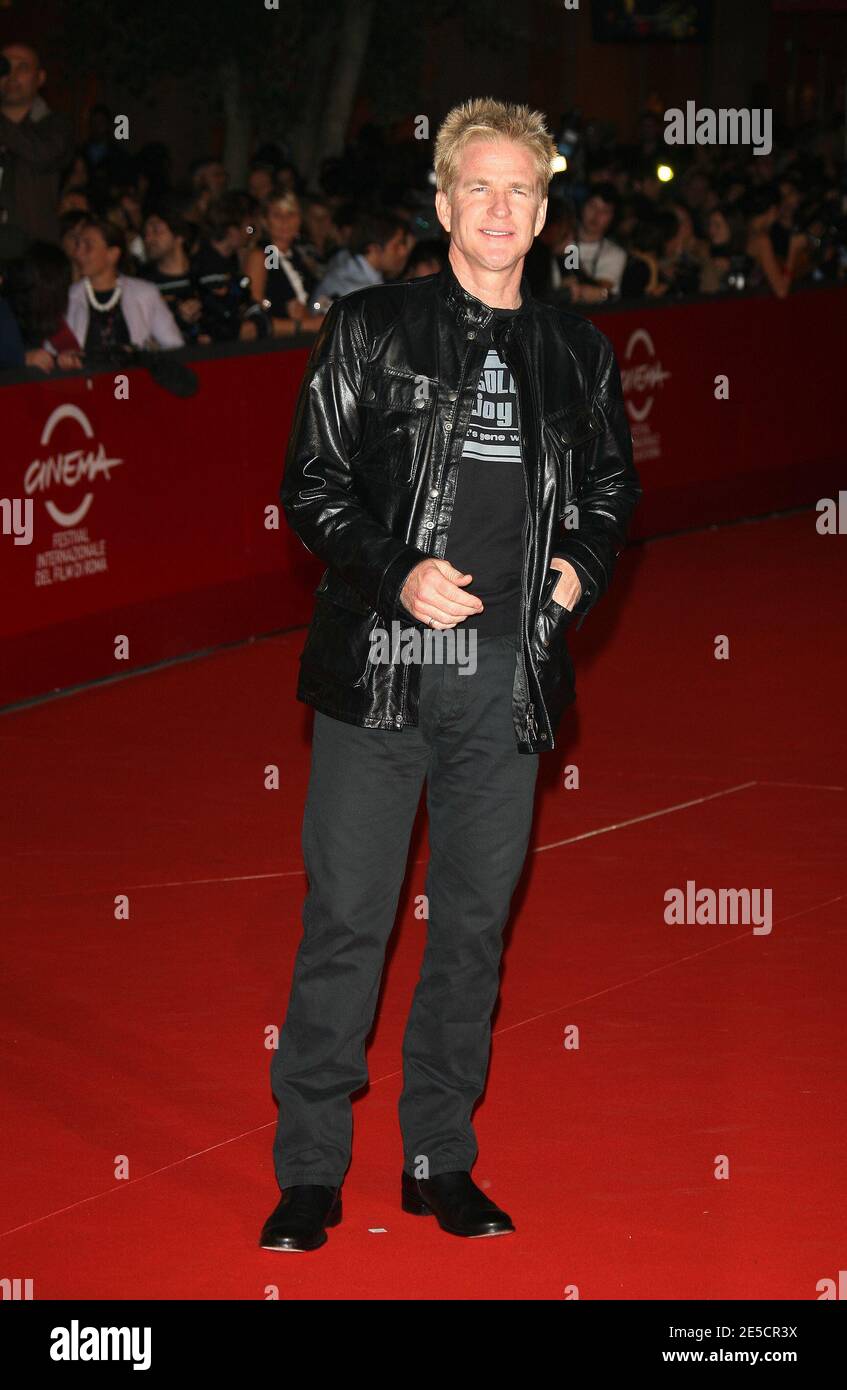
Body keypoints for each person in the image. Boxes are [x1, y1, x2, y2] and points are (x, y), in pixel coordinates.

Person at [260, 96, 640, 1253]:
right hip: (385, 661)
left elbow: (611, 496)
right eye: (476, 185)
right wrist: (397, 575)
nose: (497, 207)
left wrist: (569, 581)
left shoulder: (578, 352)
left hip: (506, 679)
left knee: (472, 927)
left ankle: (438, 1159)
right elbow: (312, 484)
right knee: (350, 921)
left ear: (541, 216)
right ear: (440, 204)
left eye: (518, 189)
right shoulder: (369, 329)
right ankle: (312, 1170)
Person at [66, 216, 183, 355]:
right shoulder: (69, 297)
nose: (78, 253)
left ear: (112, 254)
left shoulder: (144, 293)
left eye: (88, 246)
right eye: (78, 245)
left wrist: (148, 353)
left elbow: (174, 345)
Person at [0, 42, 74, 255]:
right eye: (4, 67)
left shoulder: (55, 124)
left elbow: (42, 153)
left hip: (34, 255)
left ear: (40, 78)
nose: (11, 76)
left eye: (22, 67)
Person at [244, 192, 323, 336]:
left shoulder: (299, 256)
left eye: (291, 214)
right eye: (277, 215)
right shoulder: (262, 256)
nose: (285, 221)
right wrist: (306, 324)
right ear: (265, 221)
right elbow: (255, 316)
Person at [313, 209, 413, 300]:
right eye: (396, 246)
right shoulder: (353, 288)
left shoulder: (358, 269)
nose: (404, 251)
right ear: (373, 249)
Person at [571, 182, 627, 302]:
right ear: (583, 206)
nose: (596, 215)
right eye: (592, 206)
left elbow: (596, 291)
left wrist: (564, 252)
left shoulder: (615, 254)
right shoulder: (563, 242)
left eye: (605, 211)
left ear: (613, 217)